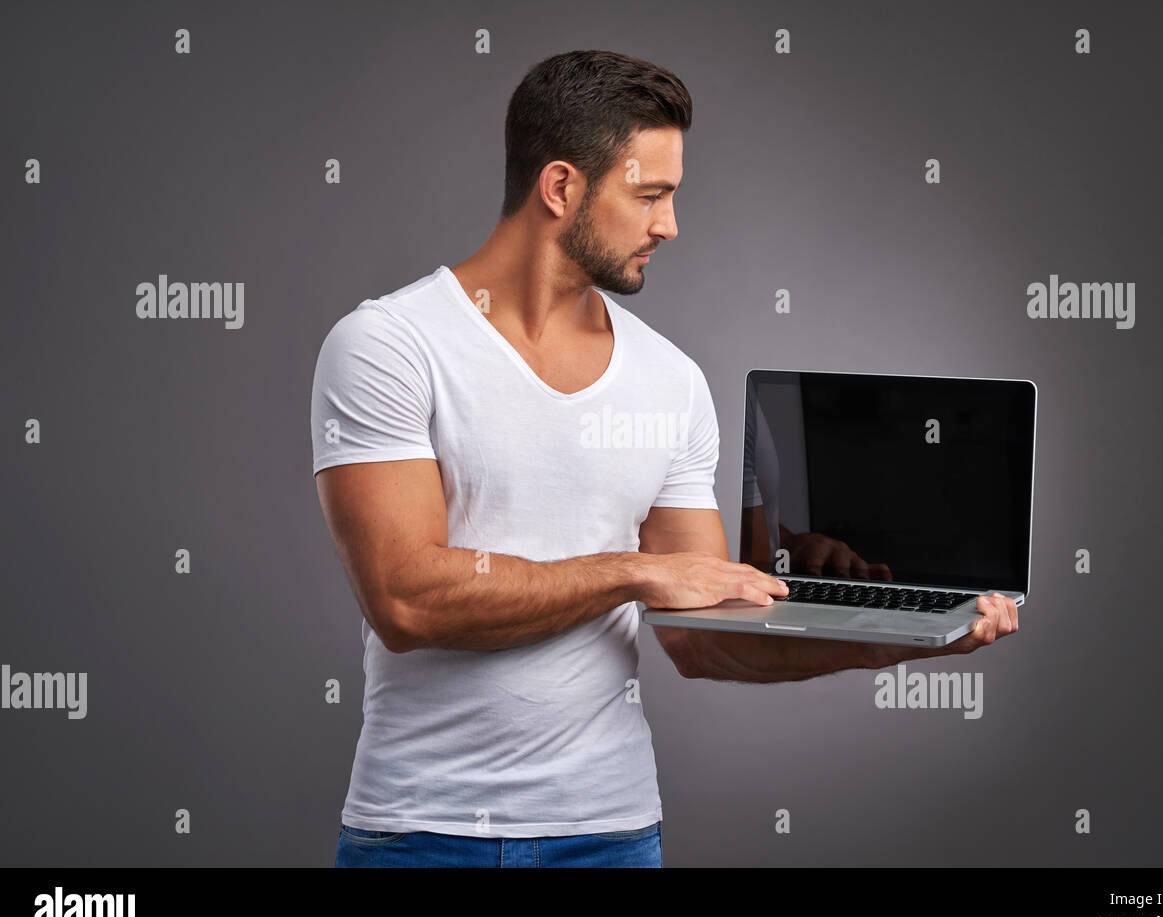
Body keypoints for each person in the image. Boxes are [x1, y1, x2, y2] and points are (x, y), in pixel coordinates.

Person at [310, 49, 1019, 869]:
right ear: (561, 187)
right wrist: (634, 572)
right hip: (421, 833)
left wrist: (910, 636)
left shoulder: (670, 379)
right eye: (650, 194)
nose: (670, 224)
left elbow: (705, 637)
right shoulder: (388, 346)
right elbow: (408, 599)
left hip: (610, 833)